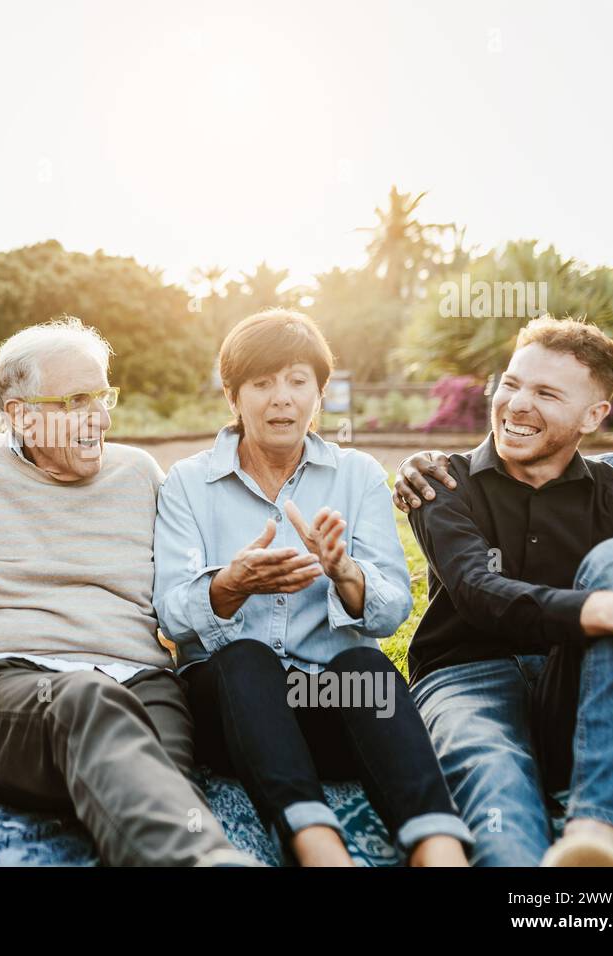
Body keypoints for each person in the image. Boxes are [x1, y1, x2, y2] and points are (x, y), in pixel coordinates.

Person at [0, 316, 258, 867]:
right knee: (90, 706)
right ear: (20, 416)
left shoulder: (140, 474)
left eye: (102, 395)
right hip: (14, 691)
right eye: (75, 400)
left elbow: (183, 593)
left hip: (142, 684)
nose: (100, 416)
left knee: (156, 782)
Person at [153, 309, 471, 866]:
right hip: (231, 717)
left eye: (298, 382)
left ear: (319, 394)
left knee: (364, 668)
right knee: (243, 658)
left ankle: (438, 847)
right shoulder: (187, 482)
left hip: (325, 706)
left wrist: (345, 573)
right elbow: (173, 616)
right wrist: (230, 585)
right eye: (262, 383)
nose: (282, 399)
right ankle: (318, 848)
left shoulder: (358, 475)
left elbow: (394, 605)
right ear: (233, 396)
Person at [390, 315, 613, 866]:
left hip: (575, 681)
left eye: (546, 393)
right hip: (465, 674)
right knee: (493, 773)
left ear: (593, 415)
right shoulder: (442, 482)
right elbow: (479, 591)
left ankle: (598, 831)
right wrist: (610, 609)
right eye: (511, 383)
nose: (517, 404)